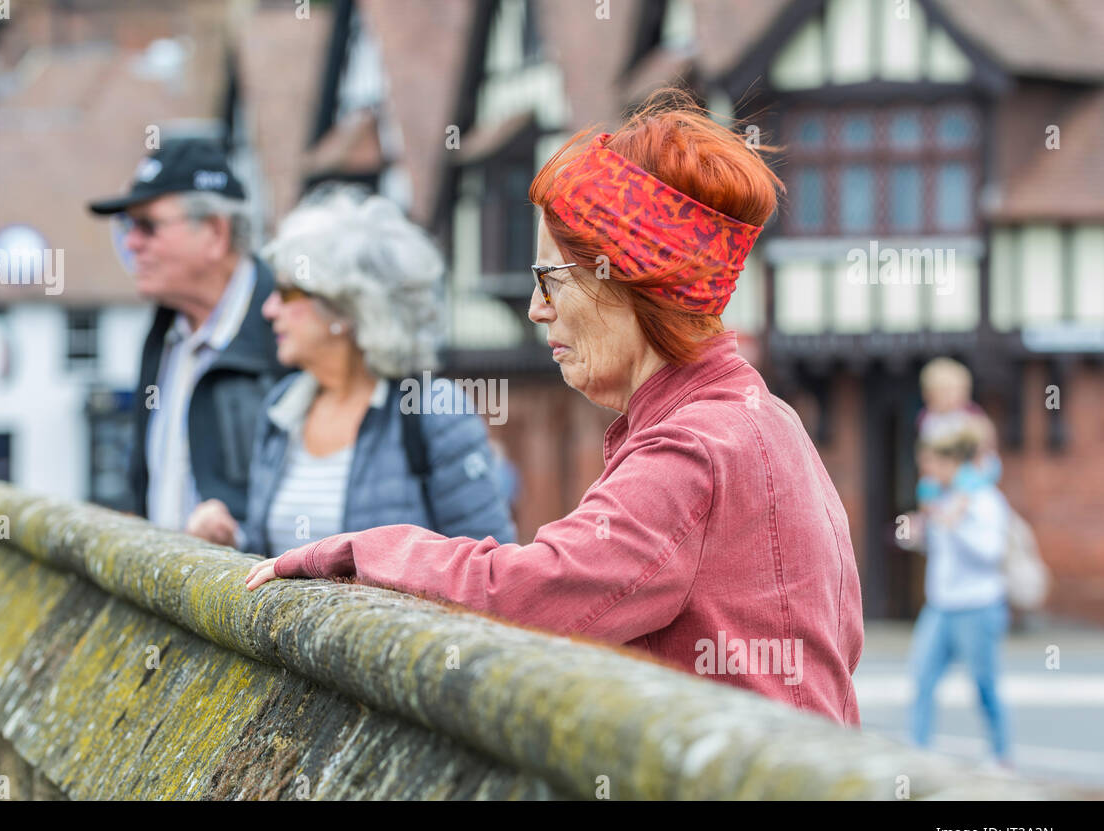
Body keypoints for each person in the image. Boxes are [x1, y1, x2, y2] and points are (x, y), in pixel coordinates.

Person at [248, 91, 864, 726]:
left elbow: (526, 597)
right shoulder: (761, 417)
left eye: (551, 278)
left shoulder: (693, 448)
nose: (537, 308)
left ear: (626, 279)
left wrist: (360, 553)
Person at [211, 185, 515, 556]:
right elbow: (269, 553)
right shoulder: (282, 409)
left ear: (344, 308)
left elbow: (490, 561)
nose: (269, 309)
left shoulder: (432, 408)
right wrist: (231, 541)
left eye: (288, 293)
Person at [87, 139, 288, 544]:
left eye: (147, 225)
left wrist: (240, 540)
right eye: (128, 226)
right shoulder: (162, 334)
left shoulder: (289, 334)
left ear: (215, 232)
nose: (130, 243)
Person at [905, 429, 1012, 767]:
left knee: (984, 685)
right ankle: (917, 752)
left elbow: (992, 552)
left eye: (932, 463)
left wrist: (958, 525)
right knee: (921, 678)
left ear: (951, 462)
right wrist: (917, 532)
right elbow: (937, 550)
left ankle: (1000, 756)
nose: (927, 472)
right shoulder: (941, 499)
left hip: (978, 605)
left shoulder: (984, 500)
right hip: (940, 605)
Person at [916, 357, 1000, 507]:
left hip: (971, 471)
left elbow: (982, 452)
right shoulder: (928, 420)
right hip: (941, 476)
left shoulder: (970, 417)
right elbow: (925, 457)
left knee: (965, 480)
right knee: (927, 487)